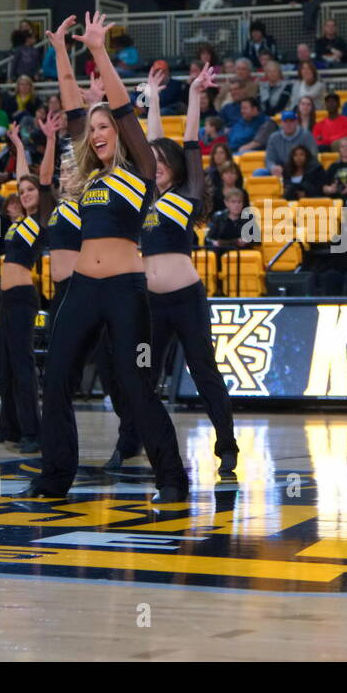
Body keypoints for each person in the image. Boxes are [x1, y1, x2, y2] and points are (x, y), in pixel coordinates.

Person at [24, 12, 190, 503]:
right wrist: (59, 50)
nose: (96, 133)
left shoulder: (138, 169)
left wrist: (98, 49)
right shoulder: (88, 176)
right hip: (81, 290)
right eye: (91, 129)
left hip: (125, 292)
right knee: (54, 378)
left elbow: (118, 105)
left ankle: (172, 479)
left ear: (118, 131)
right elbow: (72, 99)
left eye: (103, 127)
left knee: (137, 388)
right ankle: (55, 478)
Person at [103, 64, 240, 473]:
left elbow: (190, 140)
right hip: (150, 305)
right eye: (152, 160)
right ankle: (129, 443)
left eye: (163, 161)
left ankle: (227, 446)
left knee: (204, 372)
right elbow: (151, 143)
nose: (156, 163)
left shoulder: (188, 194)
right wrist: (154, 98)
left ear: (177, 167)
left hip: (185, 300)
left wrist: (195, 93)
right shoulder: (144, 196)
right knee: (141, 375)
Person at [0, 114, 58, 451]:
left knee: (22, 362)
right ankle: (10, 428)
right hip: (7, 299)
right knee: (5, 362)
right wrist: (17, 144)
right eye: (21, 192)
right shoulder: (18, 223)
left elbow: (37, 181)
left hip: (22, 297)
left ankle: (33, 432)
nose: (25, 194)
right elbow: (23, 178)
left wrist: (48, 143)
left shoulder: (40, 220)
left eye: (30, 191)